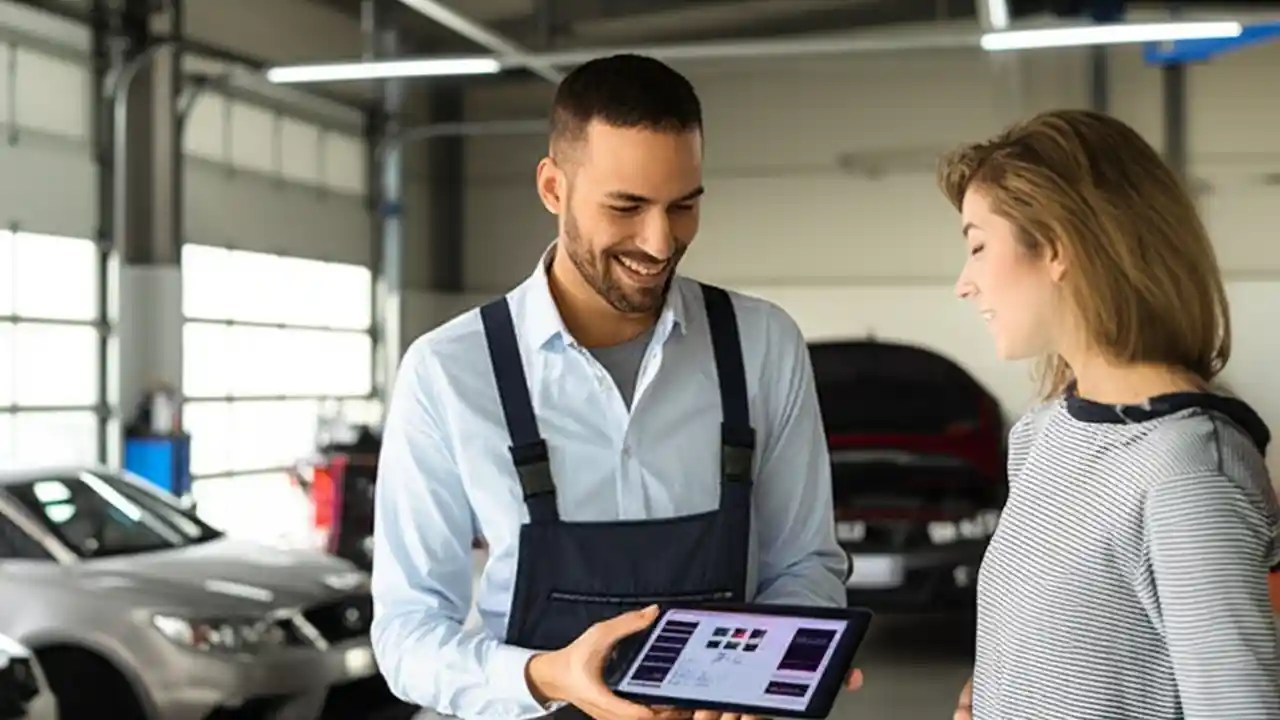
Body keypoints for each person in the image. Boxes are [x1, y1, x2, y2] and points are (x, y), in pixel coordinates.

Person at [369, 54, 861, 720]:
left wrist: (770, 674)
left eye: (683, 206)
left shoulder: (762, 345)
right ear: (553, 188)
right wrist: (546, 675)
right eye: (626, 207)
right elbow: (406, 633)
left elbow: (804, 563)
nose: (659, 242)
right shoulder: (450, 374)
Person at [938, 108, 1280, 720]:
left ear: (1058, 248)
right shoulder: (1044, 435)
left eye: (979, 246)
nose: (965, 283)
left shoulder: (1188, 474)